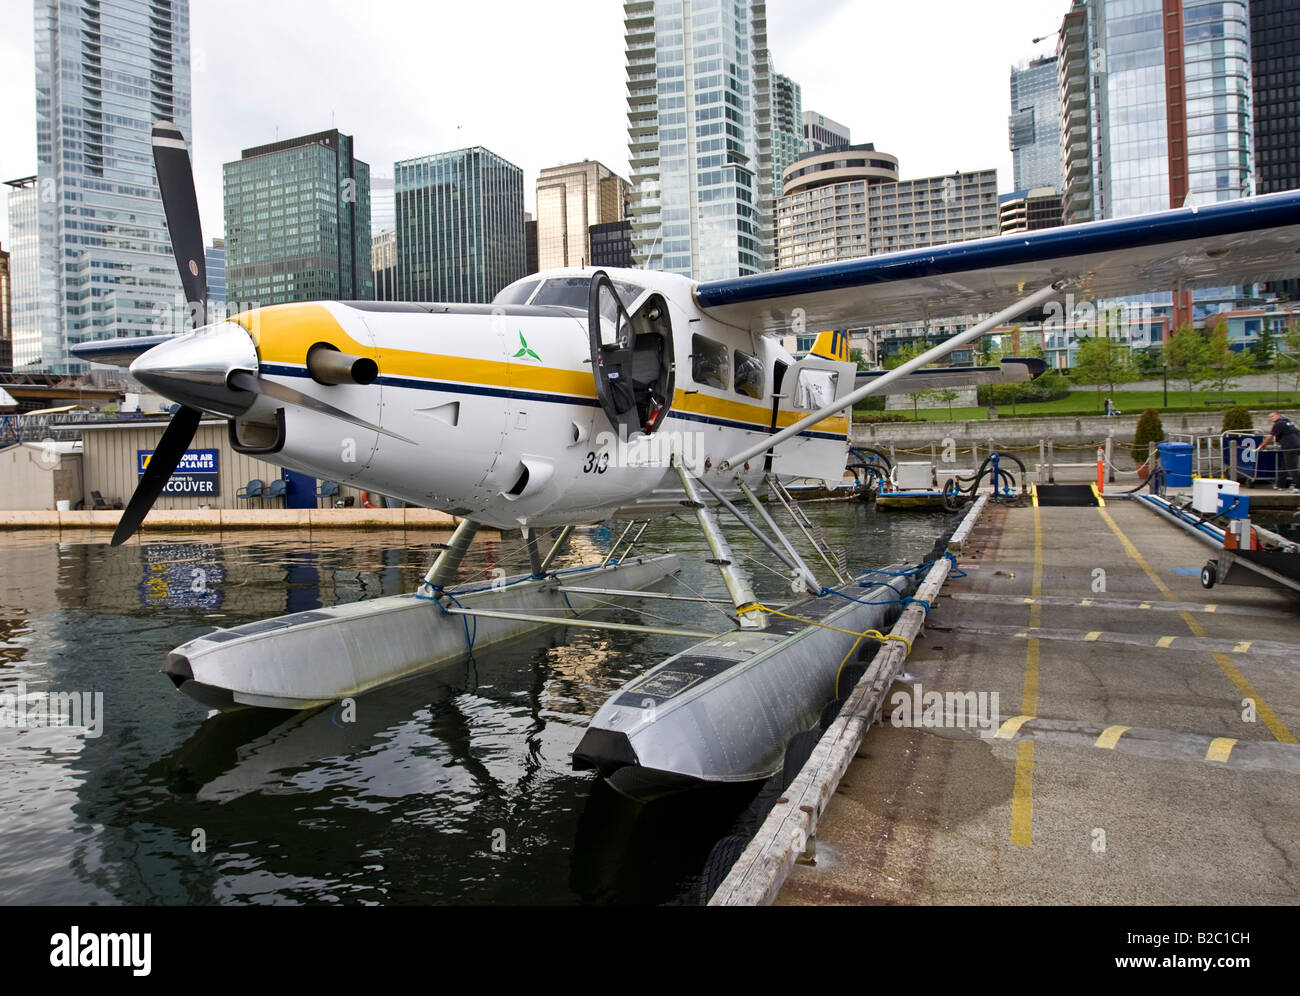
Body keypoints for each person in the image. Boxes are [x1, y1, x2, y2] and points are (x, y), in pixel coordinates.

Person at [1262, 411, 1300, 492]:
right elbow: (1298, 432)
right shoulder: (1288, 422)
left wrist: (1262, 445)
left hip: (1290, 446)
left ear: (1278, 415)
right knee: (1284, 465)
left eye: (1273, 416)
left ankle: (1298, 487)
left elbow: (1270, 436)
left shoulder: (1279, 423)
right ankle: (1280, 485)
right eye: (1270, 417)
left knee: (1292, 467)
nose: (1271, 418)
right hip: (1295, 445)